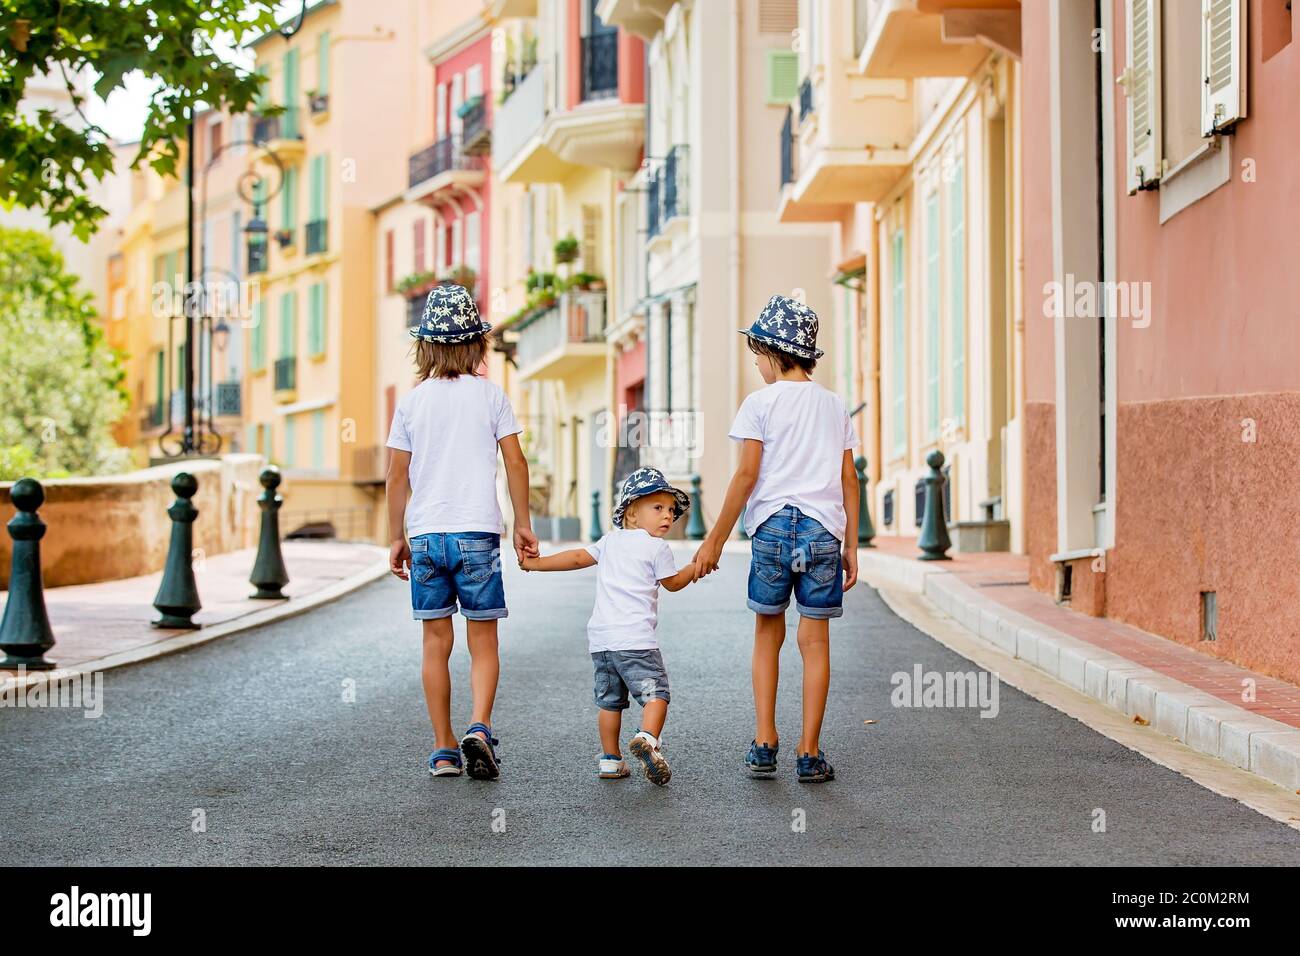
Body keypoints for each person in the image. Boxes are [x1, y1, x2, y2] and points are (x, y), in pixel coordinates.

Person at [693, 294, 859, 783]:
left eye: (757, 356)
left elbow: (746, 476)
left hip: (770, 530)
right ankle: (810, 752)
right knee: (815, 640)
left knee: (768, 632)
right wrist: (851, 544)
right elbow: (849, 478)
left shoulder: (758, 404)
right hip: (823, 530)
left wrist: (715, 540)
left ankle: (765, 742)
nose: (757, 366)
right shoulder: (834, 405)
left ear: (771, 353)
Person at [386, 284, 538, 781]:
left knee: (435, 643)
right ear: (477, 345)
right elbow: (515, 461)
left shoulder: (411, 404)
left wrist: (396, 535)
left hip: (428, 536)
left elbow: (395, 476)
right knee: (484, 642)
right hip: (477, 534)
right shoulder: (492, 397)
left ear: (425, 346)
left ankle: (444, 748)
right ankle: (480, 724)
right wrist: (522, 523)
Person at [520, 467, 697, 785]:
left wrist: (535, 563)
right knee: (656, 695)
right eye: (658, 508)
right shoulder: (657, 548)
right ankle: (647, 738)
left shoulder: (610, 542)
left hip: (602, 643)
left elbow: (575, 558)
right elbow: (673, 583)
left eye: (671, 510)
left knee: (610, 702)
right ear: (632, 512)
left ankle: (611, 760)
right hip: (636, 642)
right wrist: (696, 567)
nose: (667, 516)